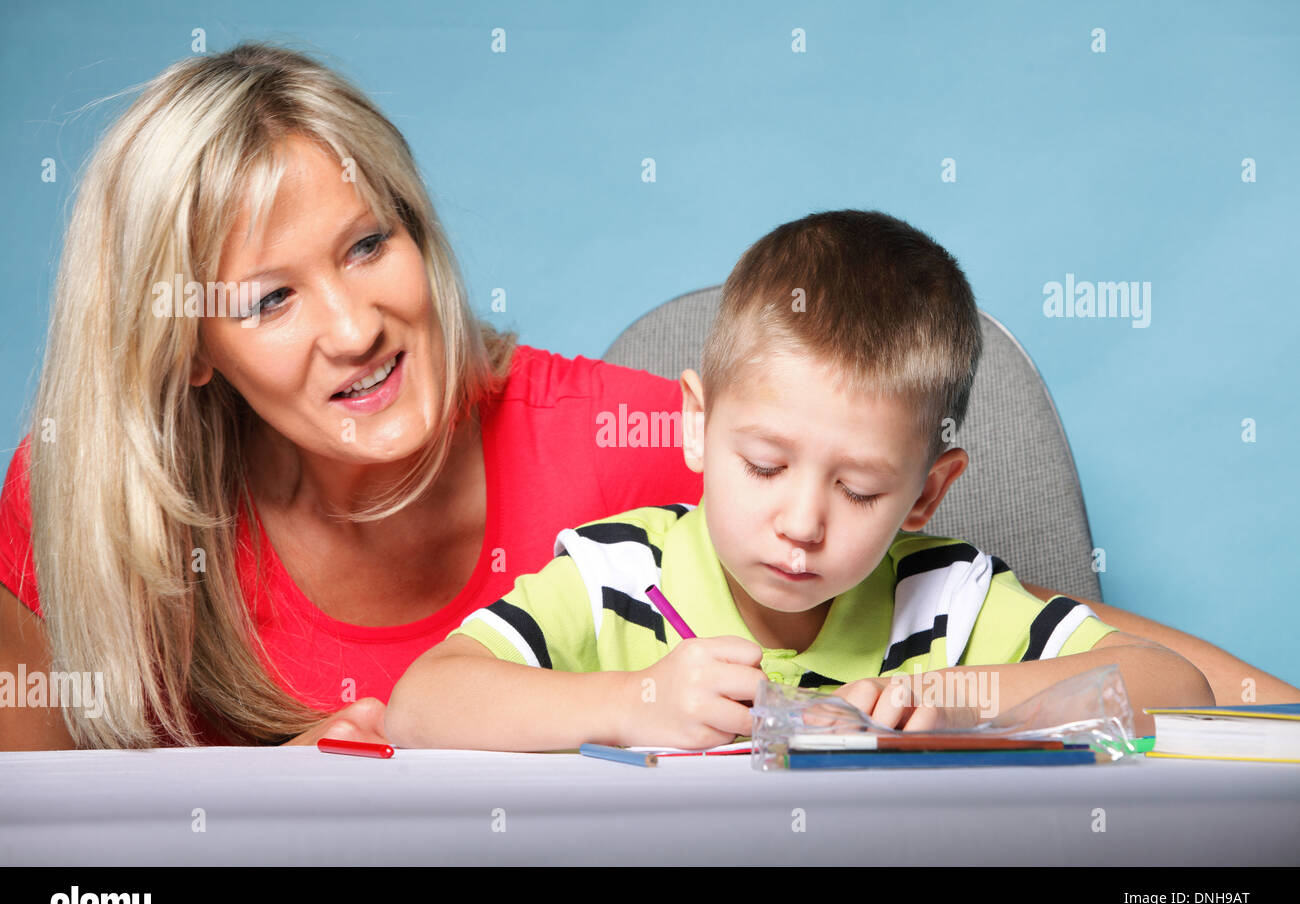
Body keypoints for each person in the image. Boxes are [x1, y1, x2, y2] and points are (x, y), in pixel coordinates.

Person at [0, 43, 1291, 751]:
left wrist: (1249, 704)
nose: (354, 328)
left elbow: (1083, 645)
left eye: (367, 245)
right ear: (184, 347)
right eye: (267, 300)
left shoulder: (627, 451)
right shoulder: (89, 499)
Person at [383, 211, 1216, 750]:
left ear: (926, 494)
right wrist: (630, 701)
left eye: (858, 491)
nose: (802, 522)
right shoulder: (615, 577)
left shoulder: (947, 599)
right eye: (766, 466)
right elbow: (424, 706)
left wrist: (955, 696)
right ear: (696, 428)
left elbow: (1173, 688)